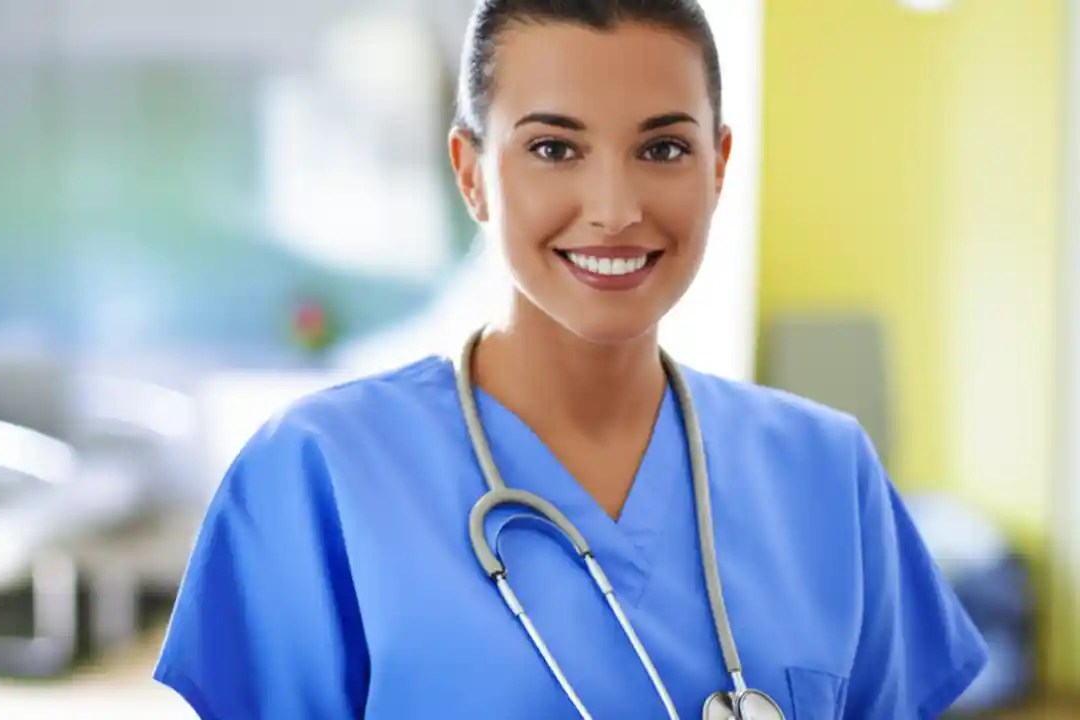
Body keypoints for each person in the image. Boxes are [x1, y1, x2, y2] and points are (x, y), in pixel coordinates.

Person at [154, 1, 988, 717]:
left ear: (718, 166)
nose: (616, 210)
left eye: (662, 149)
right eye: (555, 148)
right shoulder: (318, 471)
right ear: (472, 172)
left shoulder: (826, 473)